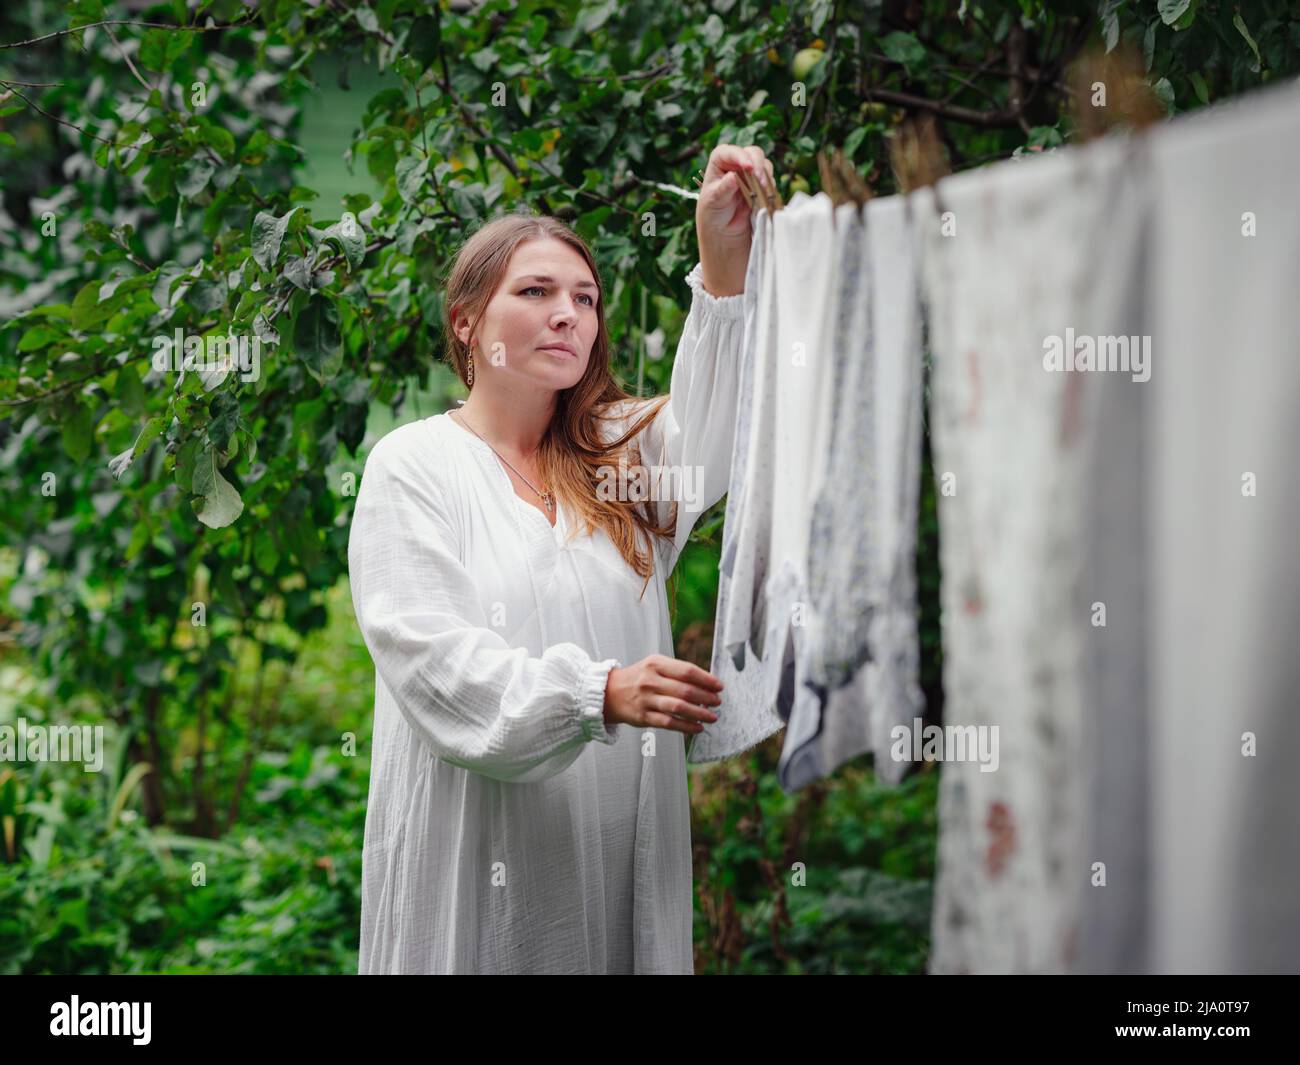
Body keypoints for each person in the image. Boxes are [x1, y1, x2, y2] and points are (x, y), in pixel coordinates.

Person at [348, 144, 774, 973]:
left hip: (617, 857)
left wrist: (722, 261)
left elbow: (721, 426)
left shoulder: (621, 456)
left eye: (584, 297)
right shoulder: (413, 467)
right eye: (535, 291)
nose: (568, 313)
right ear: (467, 321)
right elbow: (440, 672)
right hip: (479, 879)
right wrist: (598, 692)